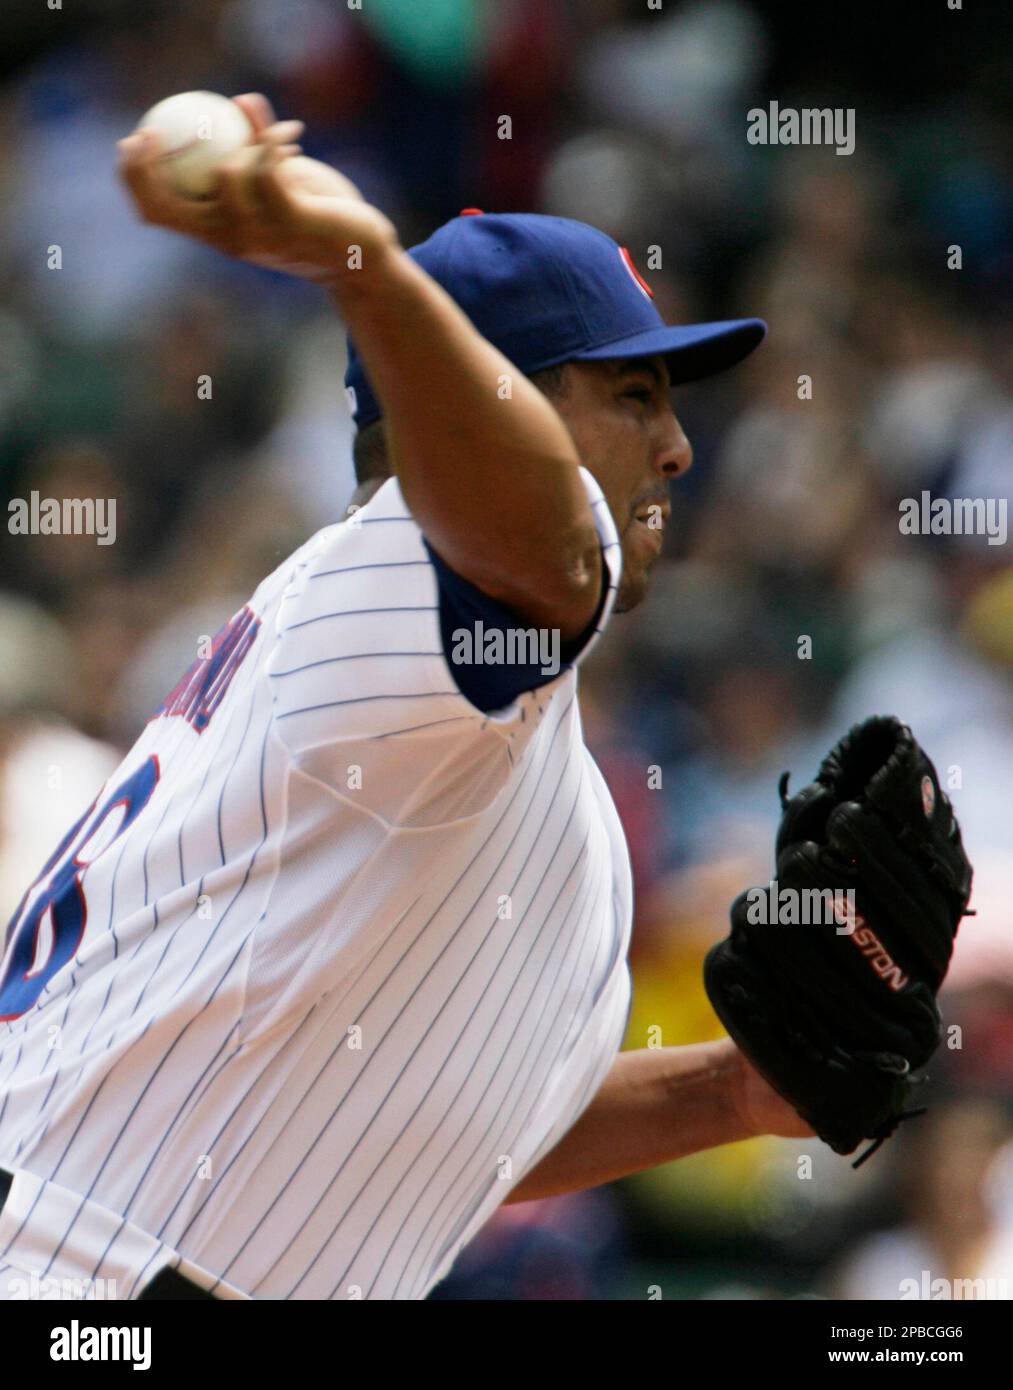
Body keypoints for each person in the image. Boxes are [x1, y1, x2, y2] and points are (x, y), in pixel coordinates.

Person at [0, 94, 808, 1303]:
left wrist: (729, 1092)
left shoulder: (505, 746)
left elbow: (437, 1128)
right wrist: (361, 268)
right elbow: (530, 541)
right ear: (496, 406)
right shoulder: (391, 576)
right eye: (632, 396)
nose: (679, 447)